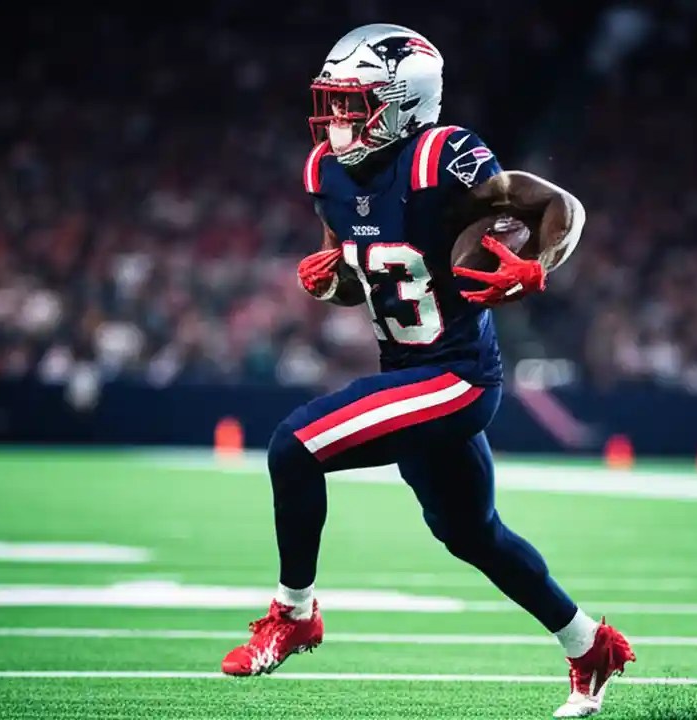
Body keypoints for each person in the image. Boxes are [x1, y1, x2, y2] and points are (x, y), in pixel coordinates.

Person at [219, 24, 634, 717]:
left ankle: (294, 613)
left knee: (296, 445)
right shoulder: (326, 172)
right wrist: (335, 281)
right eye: (334, 102)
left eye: (355, 103)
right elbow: (361, 271)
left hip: (457, 376)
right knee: (471, 533)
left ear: (404, 100)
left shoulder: (443, 156)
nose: (337, 119)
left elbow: (560, 208)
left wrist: (537, 264)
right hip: (410, 370)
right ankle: (589, 645)